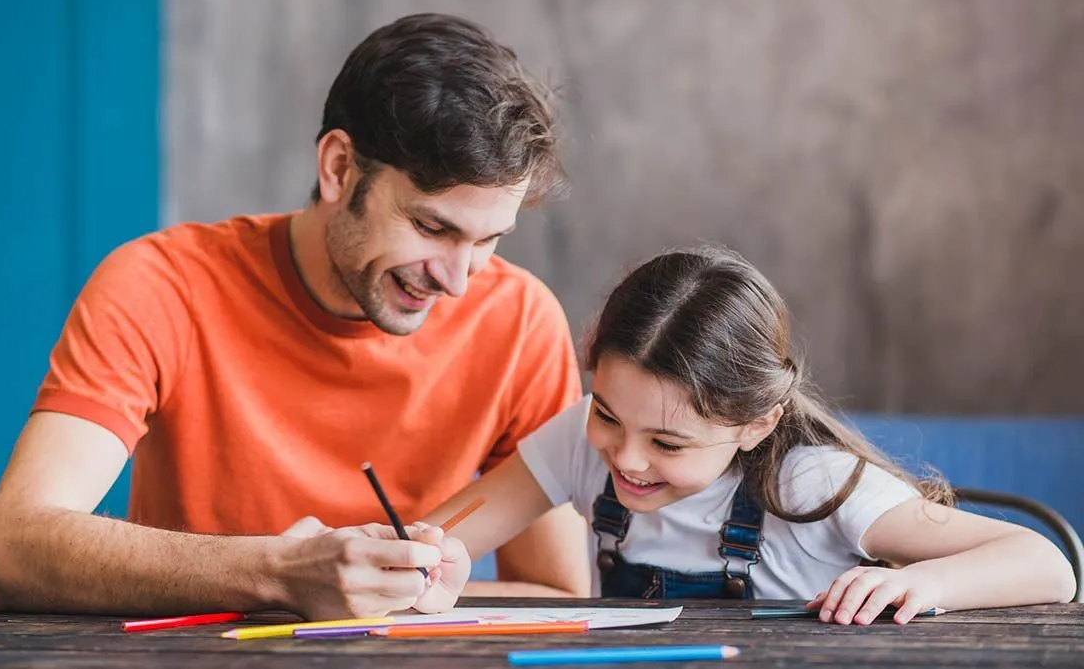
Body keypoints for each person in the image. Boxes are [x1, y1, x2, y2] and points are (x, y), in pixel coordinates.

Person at [0, 13, 590, 619]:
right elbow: (12, 549)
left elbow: (559, 596)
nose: (458, 281)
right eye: (432, 226)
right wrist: (280, 575)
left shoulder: (521, 320)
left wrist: (379, 596)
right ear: (339, 169)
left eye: (489, 241)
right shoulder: (161, 285)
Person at [427, 245, 1077, 623]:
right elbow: (428, 546)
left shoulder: (811, 482)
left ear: (755, 422)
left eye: (668, 443)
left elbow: (1048, 565)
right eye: (607, 414)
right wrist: (426, 566)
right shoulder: (580, 436)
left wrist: (926, 584)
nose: (625, 457)